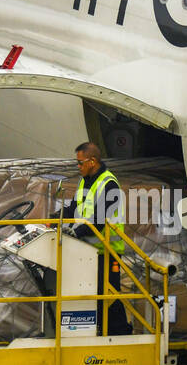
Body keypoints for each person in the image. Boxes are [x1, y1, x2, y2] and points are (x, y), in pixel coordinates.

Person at [55, 142, 131, 335]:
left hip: (107, 251)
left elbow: (98, 220)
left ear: (92, 161)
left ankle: (119, 334)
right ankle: (100, 331)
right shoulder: (85, 181)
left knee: (108, 295)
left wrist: (76, 232)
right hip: (88, 252)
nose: (78, 167)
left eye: (80, 163)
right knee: (94, 295)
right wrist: (52, 219)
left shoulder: (109, 184)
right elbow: (74, 208)